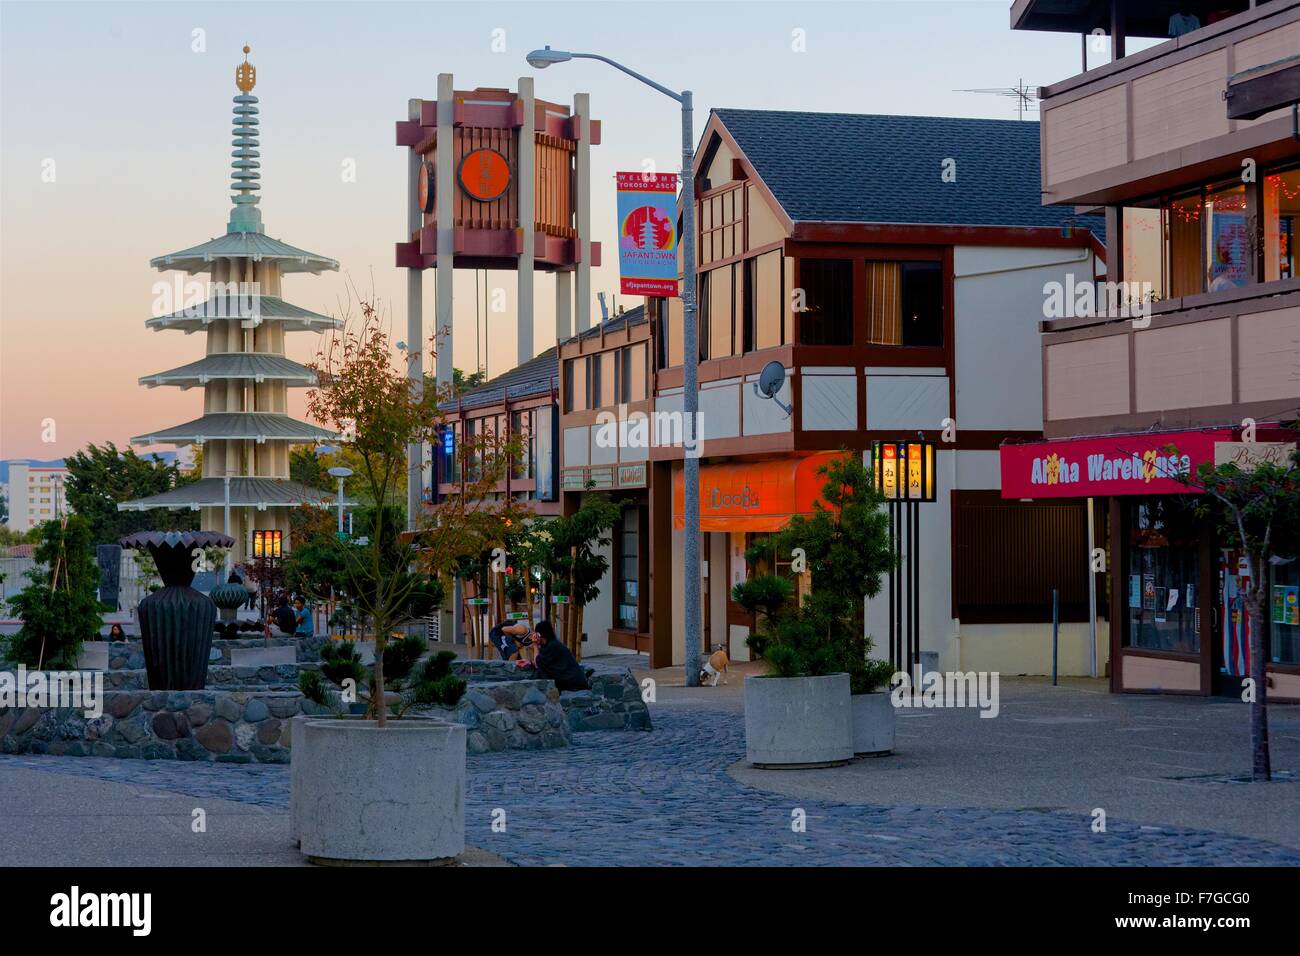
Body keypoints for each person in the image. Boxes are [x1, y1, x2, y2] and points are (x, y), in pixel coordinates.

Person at [519, 619, 588, 692]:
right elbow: (541, 661)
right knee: (541, 673)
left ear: (539, 634)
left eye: (536, 633)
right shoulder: (551, 644)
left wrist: (535, 645)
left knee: (540, 673)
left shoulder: (551, 646)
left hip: (574, 684)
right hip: (572, 680)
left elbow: (537, 664)